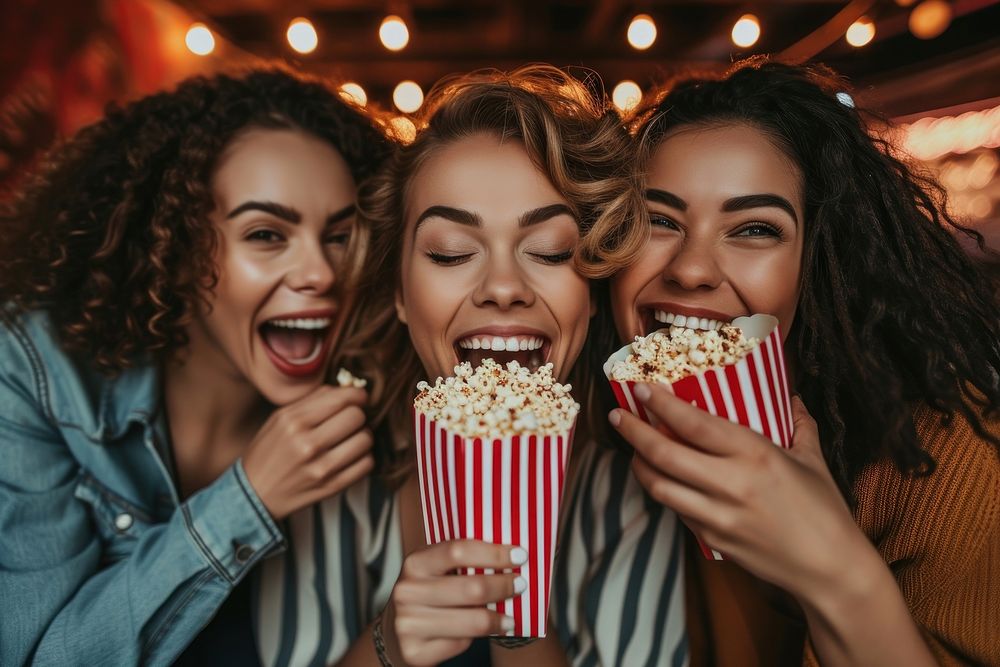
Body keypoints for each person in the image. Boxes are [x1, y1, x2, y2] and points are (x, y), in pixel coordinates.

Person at [278, 65, 686, 667]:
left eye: (549, 251)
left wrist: (515, 616)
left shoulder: (630, 503)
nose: (502, 286)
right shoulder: (327, 495)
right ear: (398, 291)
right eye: (451, 252)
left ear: (592, 290)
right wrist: (387, 645)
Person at [608, 58, 1000, 666]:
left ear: (818, 259)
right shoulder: (602, 447)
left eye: (755, 229)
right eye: (657, 220)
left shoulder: (952, 460)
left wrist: (829, 566)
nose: (690, 269)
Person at [0, 66, 391, 666]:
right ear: (177, 247)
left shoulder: (377, 389)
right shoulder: (39, 371)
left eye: (339, 235)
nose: (321, 273)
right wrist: (247, 498)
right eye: (267, 234)